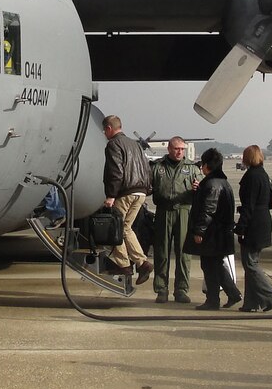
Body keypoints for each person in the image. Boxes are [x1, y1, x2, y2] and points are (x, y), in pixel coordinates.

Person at [184, 148, 241, 310]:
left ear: (207, 165)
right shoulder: (222, 183)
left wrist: (199, 231)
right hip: (220, 233)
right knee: (215, 265)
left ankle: (213, 299)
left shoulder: (212, 184)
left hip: (213, 234)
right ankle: (232, 293)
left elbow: (208, 210)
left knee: (209, 266)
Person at [102, 115, 153, 283]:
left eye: (105, 131)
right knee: (126, 228)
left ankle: (124, 265)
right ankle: (142, 263)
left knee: (114, 228)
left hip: (125, 192)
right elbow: (146, 168)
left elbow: (115, 171)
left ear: (109, 128)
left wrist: (111, 195)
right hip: (141, 192)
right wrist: (147, 189)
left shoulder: (113, 144)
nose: (104, 134)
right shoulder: (136, 145)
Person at [149, 136, 201, 304]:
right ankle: (161, 289)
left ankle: (181, 289)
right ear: (169, 149)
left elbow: (203, 189)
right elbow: (147, 186)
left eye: (182, 149)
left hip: (184, 211)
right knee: (161, 252)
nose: (180, 152)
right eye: (177, 149)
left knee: (183, 253)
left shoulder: (192, 168)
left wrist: (197, 189)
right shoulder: (157, 167)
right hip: (163, 211)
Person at [234, 145, 272, 312]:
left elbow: (249, 205)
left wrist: (241, 227)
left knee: (250, 263)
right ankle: (251, 303)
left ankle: (270, 295)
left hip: (254, 223)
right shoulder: (264, 175)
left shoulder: (251, 177)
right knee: (252, 262)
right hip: (263, 221)